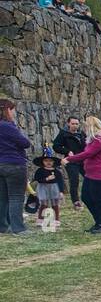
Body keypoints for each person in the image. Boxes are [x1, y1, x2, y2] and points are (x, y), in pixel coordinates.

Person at [63, 116, 101, 233]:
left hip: (100, 175)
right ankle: (99, 222)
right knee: (86, 197)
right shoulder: (93, 139)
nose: (83, 128)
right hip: (91, 174)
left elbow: (88, 153)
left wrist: (70, 159)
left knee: (98, 199)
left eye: (86, 125)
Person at [0, 98, 32, 235]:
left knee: (2, 197)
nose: (14, 113)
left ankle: (3, 226)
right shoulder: (7, 126)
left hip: (1, 164)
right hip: (14, 164)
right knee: (16, 197)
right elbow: (24, 142)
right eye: (13, 110)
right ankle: (18, 228)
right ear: (7, 110)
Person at [52, 116, 86, 211]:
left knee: (89, 178)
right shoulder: (64, 134)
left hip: (83, 160)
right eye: (73, 124)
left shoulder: (82, 134)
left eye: (76, 124)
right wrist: (67, 151)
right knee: (74, 180)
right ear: (68, 124)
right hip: (71, 161)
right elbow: (56, 146)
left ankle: (87, 198)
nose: (75, 126)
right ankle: (76, 202)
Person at [31, 153, 62, 227]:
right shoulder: (40, 170)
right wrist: (47, 179)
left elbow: (60, 181)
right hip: (43, 187)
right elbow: (37, 179)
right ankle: (40, 220)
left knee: (55, 204)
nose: (48, 162)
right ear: (42, 162)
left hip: (54, 188)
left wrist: (61, 191)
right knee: (43, 204)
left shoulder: (57, 171)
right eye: (46, 160)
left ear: (53, 162)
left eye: (50, 161)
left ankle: (56, 220)